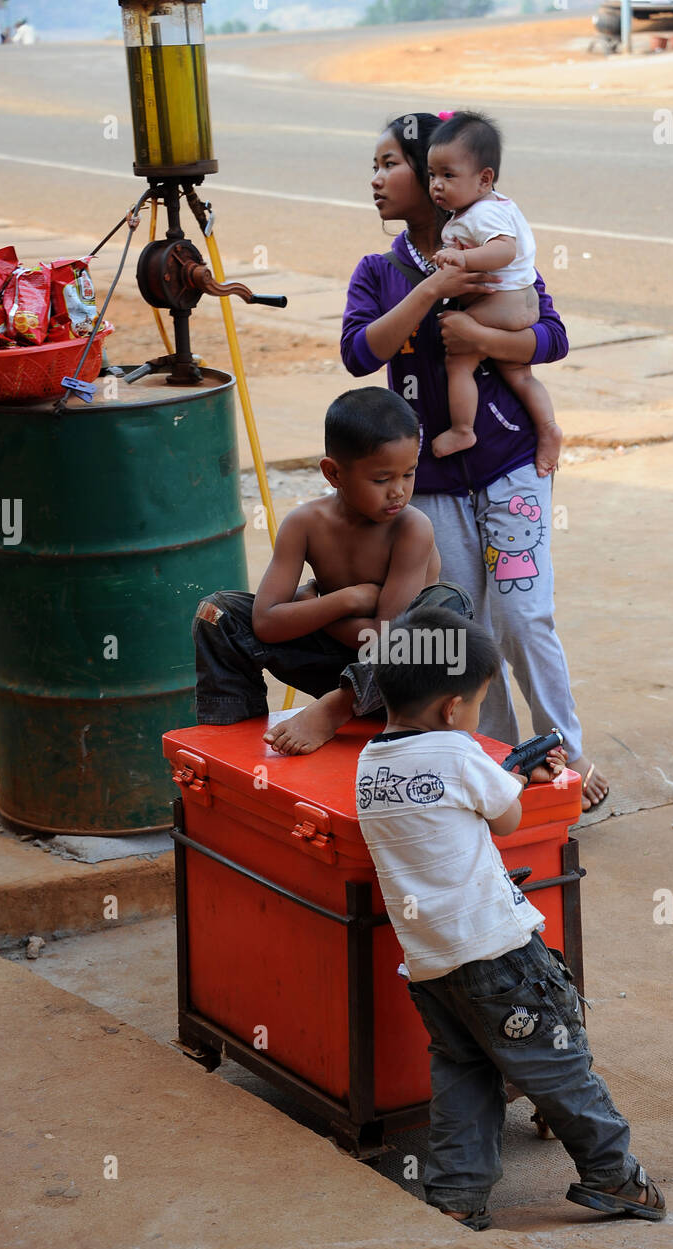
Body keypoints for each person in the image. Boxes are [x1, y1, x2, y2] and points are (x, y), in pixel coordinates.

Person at [356, 608, 665, 1228]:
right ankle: (614, 1176)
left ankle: (457, 1197)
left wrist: (502, 776)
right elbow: (507, 819)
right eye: (475, 704)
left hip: (430, 963)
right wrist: (521, 778)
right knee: (558, 1062)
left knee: (464, 1075)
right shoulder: (459, 751)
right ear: (451, 708)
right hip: (499, 952)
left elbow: (442, 802)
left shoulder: (370, 766)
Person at [342, 111, 609, 812]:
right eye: (379, 166)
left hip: (508, 465)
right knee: (467, 633)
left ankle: (563, 753)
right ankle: (501, 768)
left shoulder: (494, 244)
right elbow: (357, 353)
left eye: (389, 165)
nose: (377, 180)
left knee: (525, 620)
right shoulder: (379, 272)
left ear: (440, 181)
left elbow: (550, 336)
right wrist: (430, 290)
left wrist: (480, 337)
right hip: (428, 485)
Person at [192, 386, 472, 747]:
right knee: (219, 613)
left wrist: (311, 606)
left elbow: (383, 640)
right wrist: (348, 600)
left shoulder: (411, 528)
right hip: (328, 664)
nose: (399, 492)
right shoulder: (305, 523)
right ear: (334, 474)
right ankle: (230, 747)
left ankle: (336, 708)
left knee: (449, 603)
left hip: (394, 684)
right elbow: (264, 622)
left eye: (409, 473)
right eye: (382, 479)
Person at [426, 110, 558, 465]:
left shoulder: (482, 214)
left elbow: (504, 249)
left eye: (448, 175)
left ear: (484, 179)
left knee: (458, 361)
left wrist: (462, 260)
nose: (437, 184)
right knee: (519, 373)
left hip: (504, 304)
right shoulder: (490, 207)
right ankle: (548, 427)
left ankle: (462, 430)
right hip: (522, 304)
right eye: (432, 175)